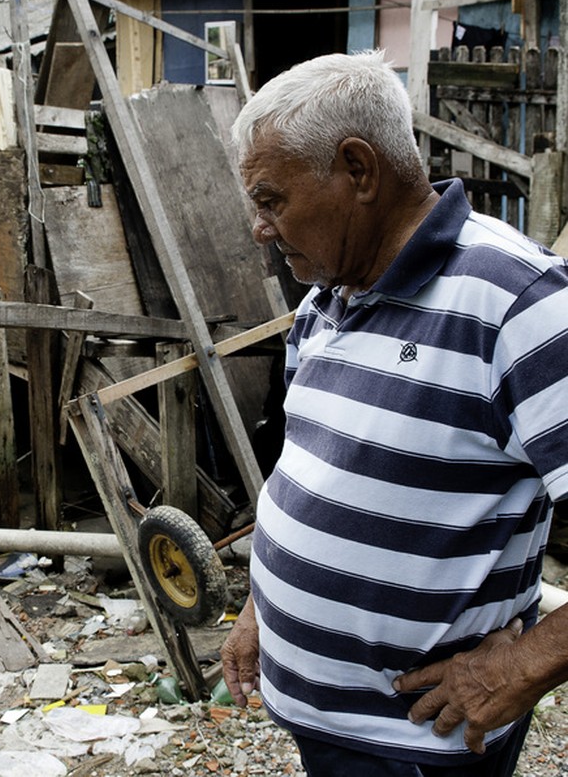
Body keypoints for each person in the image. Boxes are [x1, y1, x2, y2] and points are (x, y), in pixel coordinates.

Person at [219, 50, 568, 776]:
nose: (258, 227)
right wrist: (263, 611)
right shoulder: (326, 298)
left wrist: (523, 665)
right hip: (331, 728)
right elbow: (310, 473)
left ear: (359, 169)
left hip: (416, 747)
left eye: (270, 199)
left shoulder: (519, 304)